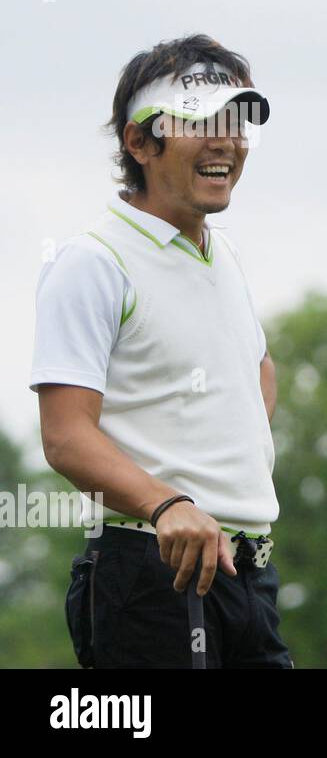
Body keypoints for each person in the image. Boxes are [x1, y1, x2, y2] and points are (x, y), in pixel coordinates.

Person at [31, 34, 292, 668]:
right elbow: (65, 437)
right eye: (200, 122)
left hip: (248, 571)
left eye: (235, 123)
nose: (224, 141)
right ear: (140, 142)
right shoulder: (93, 261)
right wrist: (169, 500)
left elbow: (257, 367)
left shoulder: (222, 252)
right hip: (151, 573)